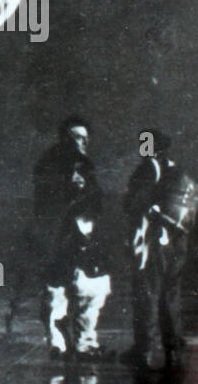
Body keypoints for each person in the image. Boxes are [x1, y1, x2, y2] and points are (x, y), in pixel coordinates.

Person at [28, 116, 102, 356]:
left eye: (84, 138)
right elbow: (44, 199)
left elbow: (94, 199)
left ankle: (85, 343)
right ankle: (57, 342)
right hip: (57, 232)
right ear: (64, 139)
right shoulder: (49, 164)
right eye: (76, 137)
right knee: (56, 288)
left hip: (83, 233)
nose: (81, 142)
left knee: (89, 288)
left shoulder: (85, 166)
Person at [124, 129, 195, 370]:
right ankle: (173, 349)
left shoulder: (148, 168)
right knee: (170, 294)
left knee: (147, 292)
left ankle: (144, 350)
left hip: (154, 239)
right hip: (177, 240)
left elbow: (136, 203)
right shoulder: (176, 170)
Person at [44, 197, 111, 357]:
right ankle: (78, 343)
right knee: (81, 308)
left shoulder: (73, 222)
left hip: (77, 271)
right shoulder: (83, 224)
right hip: (82, 272)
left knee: (59, 303)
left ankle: (64, 343)